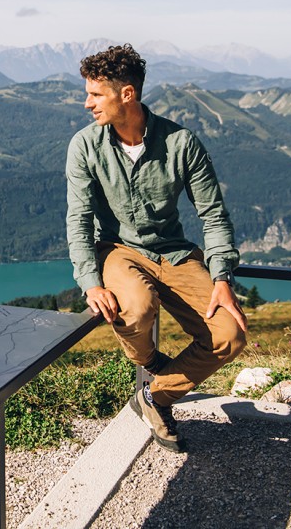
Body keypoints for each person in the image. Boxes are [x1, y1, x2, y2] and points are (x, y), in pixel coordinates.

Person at [65, 43, 247, 452]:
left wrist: (222, 278)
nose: (86, 103)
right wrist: (90, 282)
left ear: (126, 94)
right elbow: (78, 219)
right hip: (118, 250)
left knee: (230, 335)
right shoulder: (85, 146)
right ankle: (151, 366)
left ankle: (154, 393)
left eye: (95, 94)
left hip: (174, 253)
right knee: (136, 306)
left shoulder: (182, 144)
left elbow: (214, 216)